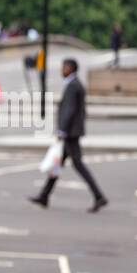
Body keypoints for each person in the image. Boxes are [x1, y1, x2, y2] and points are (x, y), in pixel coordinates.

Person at [29, 59, 108, 212]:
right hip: (72, 132)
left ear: (70, 68)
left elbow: (69, 110)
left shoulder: (73, 86)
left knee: (78, 165)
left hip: (70, 134)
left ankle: (99, 196)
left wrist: (62, 131)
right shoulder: (75, 84)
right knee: (56, 165)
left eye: (63, 67)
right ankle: (44, 196)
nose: (61, 70)